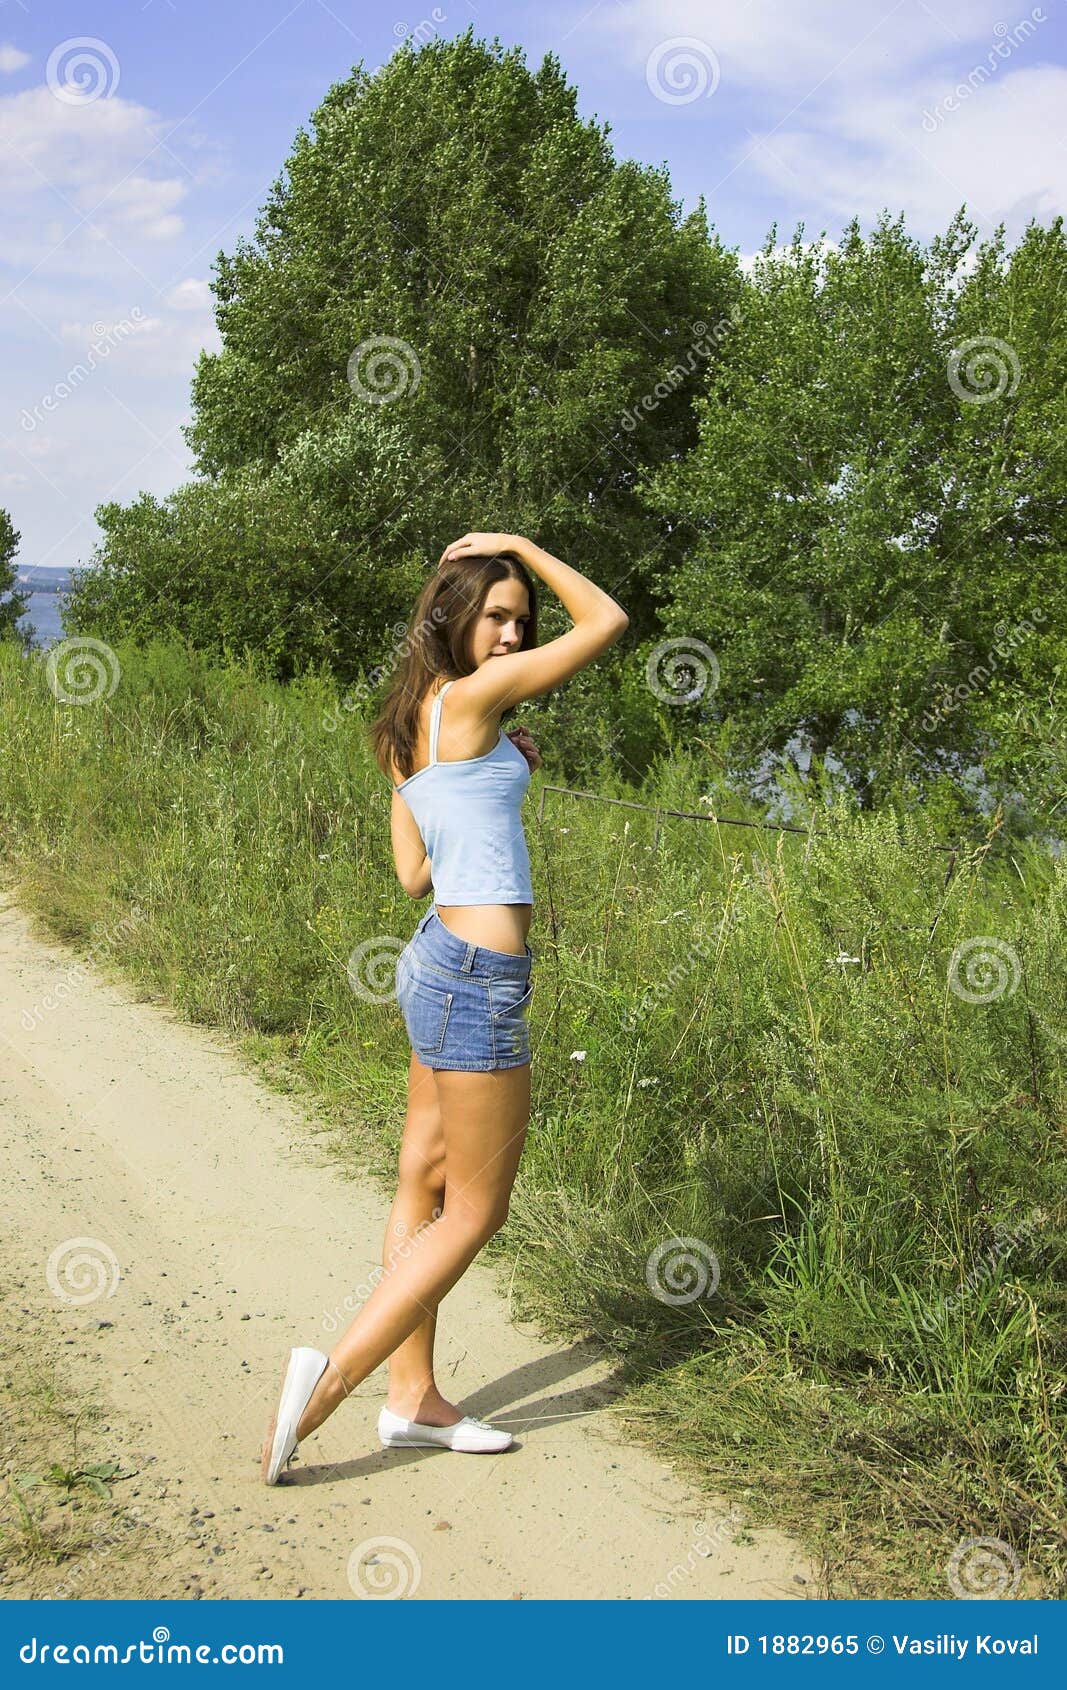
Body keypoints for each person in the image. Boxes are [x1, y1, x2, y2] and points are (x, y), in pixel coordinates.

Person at [261, 532, 628, 1481]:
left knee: (421, 1184)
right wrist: (524, 546)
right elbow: (610, 621)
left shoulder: (409, 720)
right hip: (477, 977)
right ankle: (327, 1387)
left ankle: (412, 1401)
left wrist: (507, 773)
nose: (511, 633)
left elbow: (412, 872)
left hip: (433, 959)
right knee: (474, 1211)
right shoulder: (472, 701)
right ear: (451, 616)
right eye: (496, 614)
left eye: (520, 620)